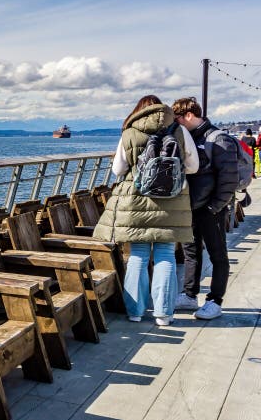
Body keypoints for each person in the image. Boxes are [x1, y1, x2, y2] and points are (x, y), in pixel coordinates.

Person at [94, 96, 198, 326]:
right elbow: (193, 166)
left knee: (138, 256)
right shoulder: (180, 131)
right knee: (166, 255)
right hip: (172, 201)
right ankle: (163, 314)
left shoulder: (130, 132)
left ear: (139, 110)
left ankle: (135, 311)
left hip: (137, 201)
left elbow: (118, 169)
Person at [173, 97, 239, 320]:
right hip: (191, 206)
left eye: (179, 119)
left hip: (211, 209)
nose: (177, 124)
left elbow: (229, 178)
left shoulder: (218, 139)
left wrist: (215, 206)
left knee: (218, 254)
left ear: (189, 115)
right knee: (191, 252)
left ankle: (215, 301)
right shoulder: (190, 138)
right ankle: (189, 295)